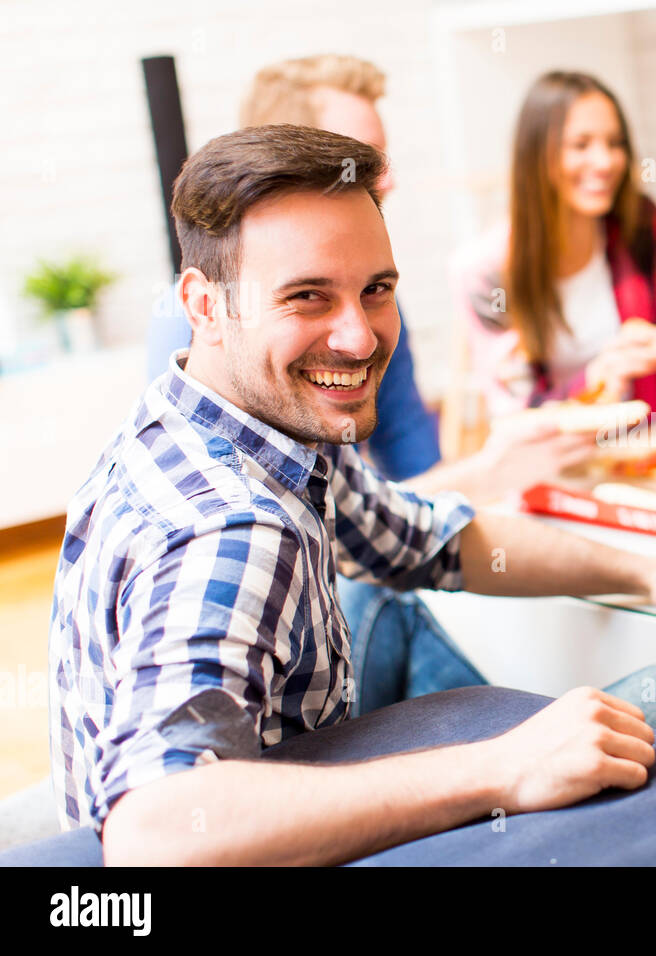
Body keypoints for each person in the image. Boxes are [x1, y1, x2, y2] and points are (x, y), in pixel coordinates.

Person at [52, 125, 656, 865]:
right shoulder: (234, 528)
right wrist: (503, 768)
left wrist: (649, 572)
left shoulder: (221, 418)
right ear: (204, 304)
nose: (358, 338)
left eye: (376, 290)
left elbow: (428, 536)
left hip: (279, 765)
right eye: (307, 297)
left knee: (392, 605)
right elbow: (156, 832)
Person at [146, 55, 593, 712]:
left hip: (355, 607)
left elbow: (400, 500)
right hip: (319, 630)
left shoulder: (371, 315)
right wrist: (488, 472)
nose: (387, 180)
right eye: (364, 160)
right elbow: (333, 546)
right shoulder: (208, 358)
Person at [455, 70, 656, 418]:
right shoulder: (486, 270)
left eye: (615, 143)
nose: (605, 161)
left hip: (652, 449)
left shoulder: (643, 223)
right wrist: (596, 379)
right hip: (558, 464)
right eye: (581, 145)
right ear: (536, 155)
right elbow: (519, 415)